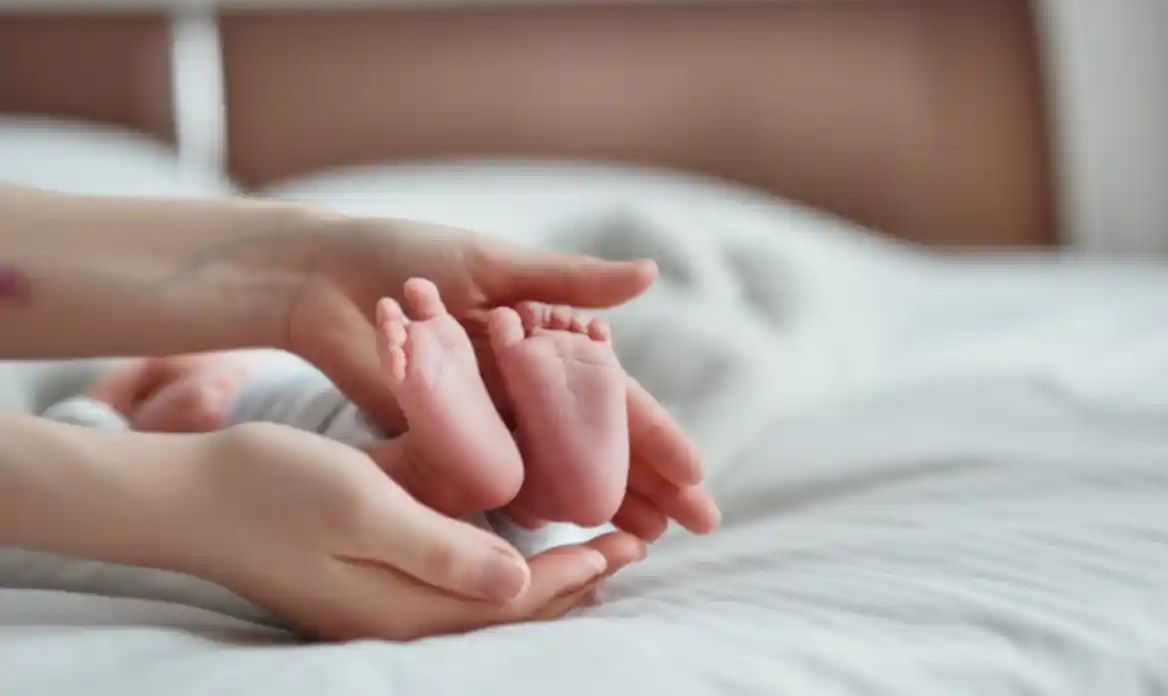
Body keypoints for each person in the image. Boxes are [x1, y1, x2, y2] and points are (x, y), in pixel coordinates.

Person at [0, 184, 719, 641]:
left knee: (400, 454)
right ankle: (542, 480)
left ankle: (482, 457)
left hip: (318, 451)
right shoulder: (250, 367)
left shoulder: (214, 374)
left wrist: (126, 405)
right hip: (337, 431)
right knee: (417, 449)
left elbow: (104, 417)